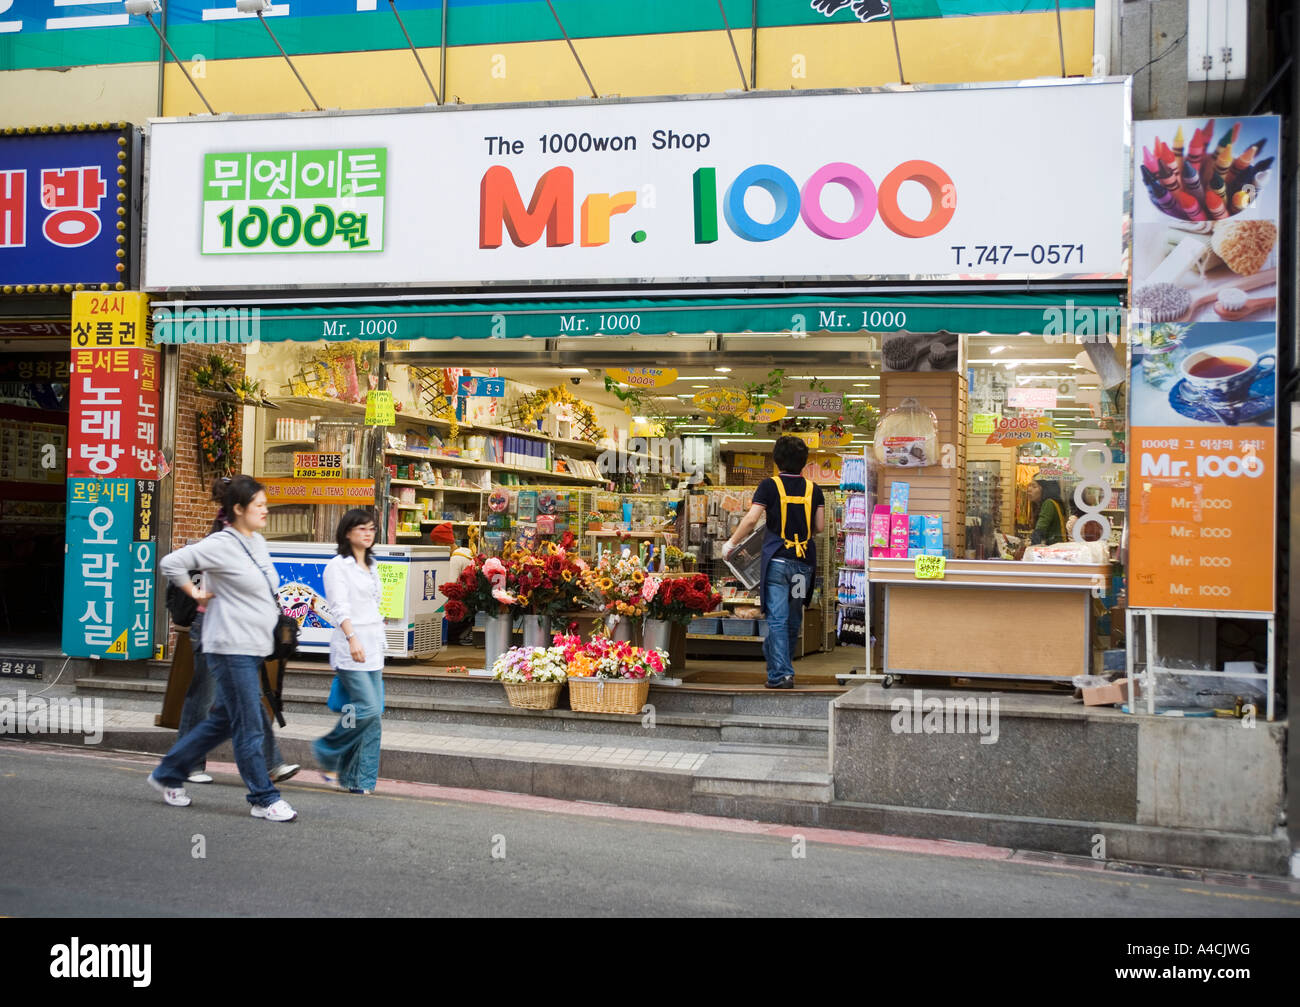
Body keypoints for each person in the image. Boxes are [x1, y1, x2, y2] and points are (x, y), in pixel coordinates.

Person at [149, 475, 298, 822]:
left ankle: (167, 773)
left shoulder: (257, 542)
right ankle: (263, 797)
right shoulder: (220, 544)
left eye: (265, 504)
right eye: (259, 505)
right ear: (238, 509)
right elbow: (171, 563)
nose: (265, 510)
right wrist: (195, 592)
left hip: (253, 645)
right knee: (249, 723)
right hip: (228, 646)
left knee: (222, 721)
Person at [721, 435, 825, 689]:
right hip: (802, 566)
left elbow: (750, 520)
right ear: (804, 462)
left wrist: (731, 543)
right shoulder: (815, 489)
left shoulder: (769, 486)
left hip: (778, 563)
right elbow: (819, 527)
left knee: (777, 619)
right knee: (792, 616)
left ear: (777, 460)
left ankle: (781, 674)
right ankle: (781, 666)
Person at [313, 509, 385, 795]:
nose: (368, 534)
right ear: (347, 533)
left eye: (372, 529)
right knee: (366, 709)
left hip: (374, 646)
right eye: (362, 529)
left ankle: (359, 780)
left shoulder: (372, 564)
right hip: (350, 647)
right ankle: (326, 749)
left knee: (372, 716)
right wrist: (352, 637)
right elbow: (339, 607)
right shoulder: (337, 567)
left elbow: (373, 604)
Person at [440, 525, 476, 647]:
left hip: (464, 608)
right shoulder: (466, 551)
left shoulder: (455, 559)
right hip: (472, 604)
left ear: (444, 544)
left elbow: (451, 588)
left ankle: (464, 632)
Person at [1029, 478, 1067, 545]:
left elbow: (1039, 531)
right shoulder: (1052, 502)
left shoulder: (1049, 503)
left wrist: (1030, 549)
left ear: (1045, 489)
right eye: (1029, 486)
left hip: (1055, 551)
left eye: (1034, 486)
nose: (1029, 489)